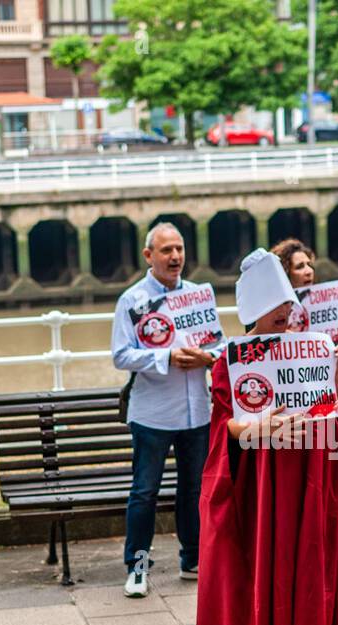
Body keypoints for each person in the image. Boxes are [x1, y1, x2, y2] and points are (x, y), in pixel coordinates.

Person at [195, 249, 338, 625]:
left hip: (304, 474)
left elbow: (331, 415)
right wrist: (261, 426)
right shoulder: (232, 359)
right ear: (256, 312)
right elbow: (227, 426)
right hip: (260, 483)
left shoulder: (312, 349)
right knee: (268, 565)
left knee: (305, 566)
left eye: (289, 308)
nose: (289, 314)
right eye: (279, 308)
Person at [111, 222, 217, 598]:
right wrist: (166, 357)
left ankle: (192, 559)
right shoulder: (132, 301)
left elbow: (217, 348)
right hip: (153, 413)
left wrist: (207, 357)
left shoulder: (200, 295)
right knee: (144, 492)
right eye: (166, 250)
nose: (175, 257)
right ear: (149, 255)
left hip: (196, 412)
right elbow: (121, 355)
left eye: (179, 249)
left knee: (193, 489)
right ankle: (137, 567)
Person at [269, 237, 338, 333]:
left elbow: (337, 340)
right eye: (299, 267)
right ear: (284, 272)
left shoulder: (327, 303)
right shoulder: (271, 310)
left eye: (309, 265)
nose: (309, 271)